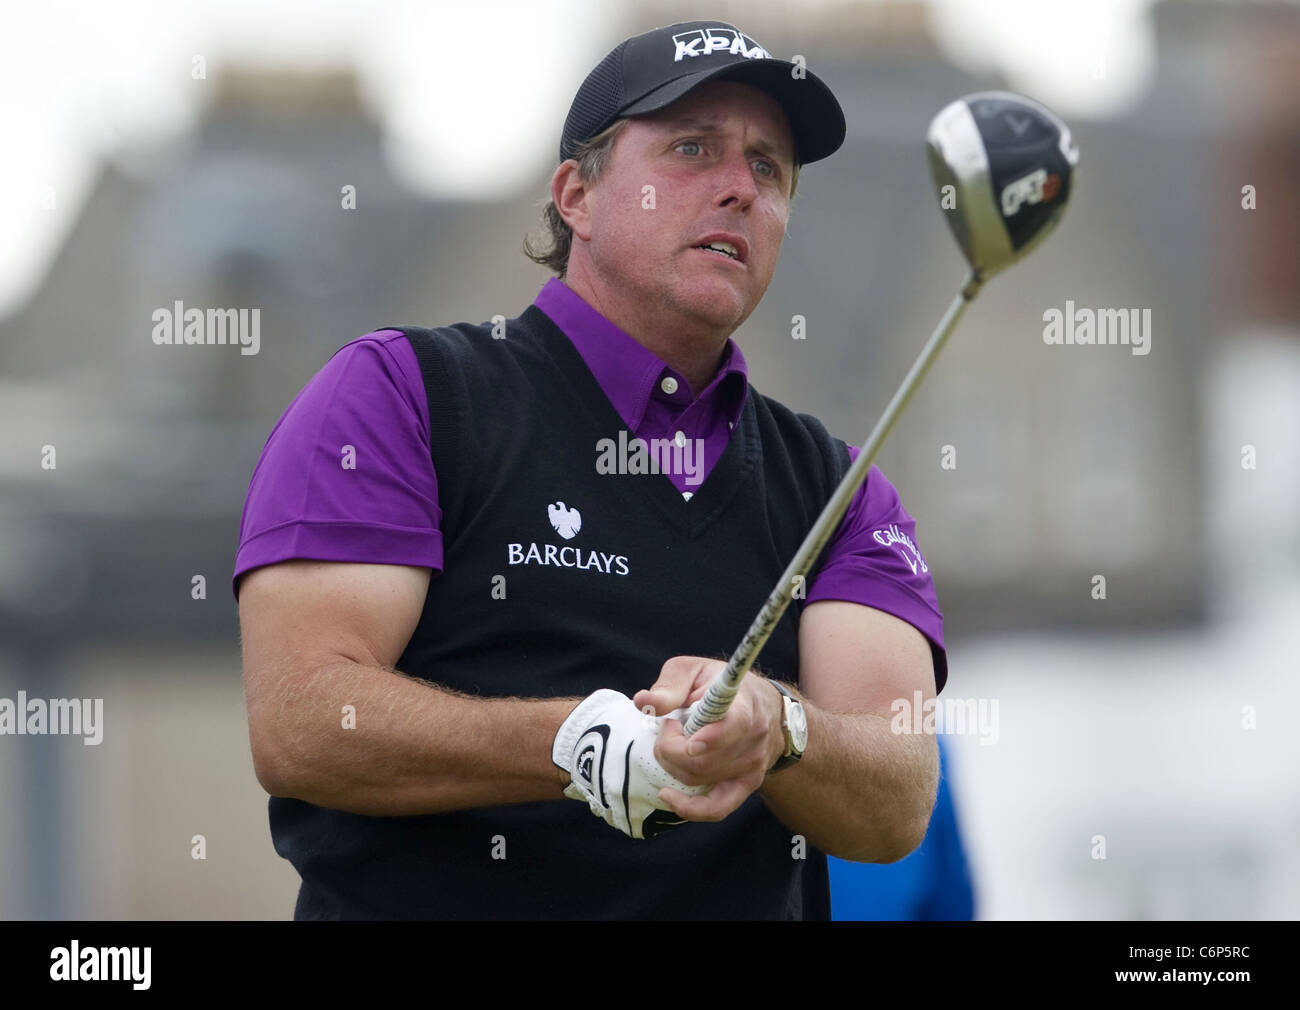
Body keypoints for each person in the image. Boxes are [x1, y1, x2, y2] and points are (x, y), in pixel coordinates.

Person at [234, 19, 948, 920]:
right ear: (576, 193)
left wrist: (781, 725)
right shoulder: (401, 396)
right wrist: (578, 740)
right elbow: (303, 721)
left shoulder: (839, 489)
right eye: (694, 149)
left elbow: (897, 798)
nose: (738, 187)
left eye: (768, 169)